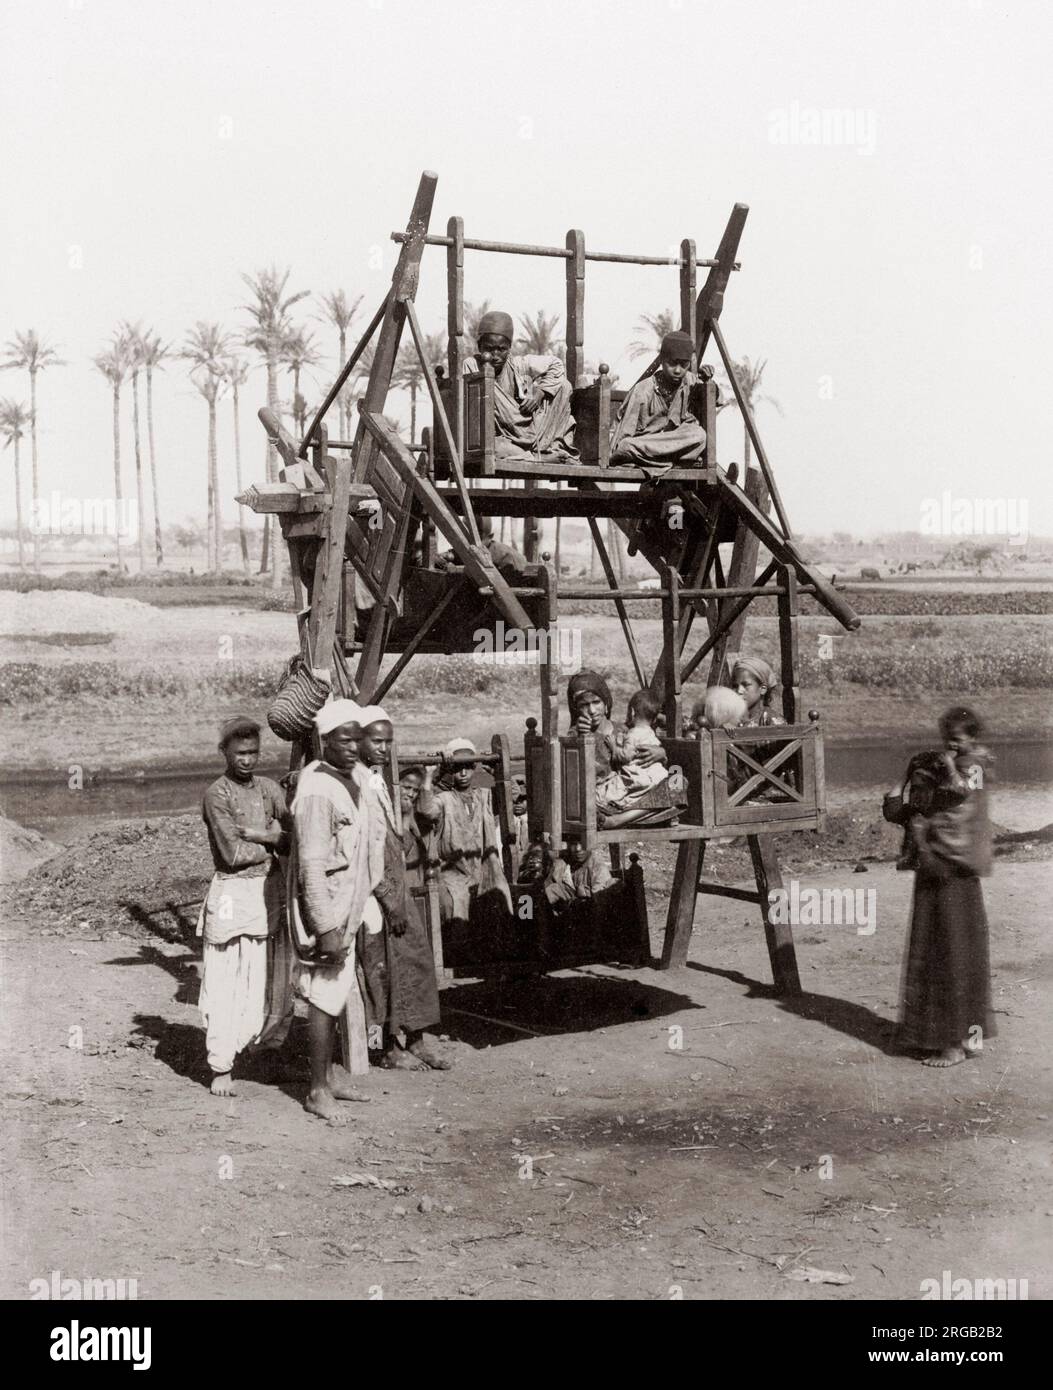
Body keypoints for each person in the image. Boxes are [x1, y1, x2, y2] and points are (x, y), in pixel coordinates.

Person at [883, 706, 995, 1068]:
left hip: (955, 866)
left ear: (973, 740)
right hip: (936, 864)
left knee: (952, 950)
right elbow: (905, 808)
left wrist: (944, 766)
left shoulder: (974, 765)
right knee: (936, 946)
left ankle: (954, 1043)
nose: (950, 745)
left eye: (958, 740)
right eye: (947, 738)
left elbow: (960, 795)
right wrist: (905, 780)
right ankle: (941, 1035)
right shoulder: (944, 763)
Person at [288, 700, 382, 1121]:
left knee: (338, 991)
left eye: (357, 739)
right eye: (343, 739)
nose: (352, 747)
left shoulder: (353, 778)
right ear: (323, 740)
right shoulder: (315, 789)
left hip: (351, 901)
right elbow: (310, 865)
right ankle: (316, 1089)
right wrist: (325, 925)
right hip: (328, 908)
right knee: (323, 995)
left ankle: (328, 1077)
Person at [198, 717, 290, 1097]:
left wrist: (267, 836)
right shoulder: (217, 795)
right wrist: (272, 839)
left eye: (253, 752)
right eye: (240, 753)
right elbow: (233, 852)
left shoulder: (269, 788)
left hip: (267, 892)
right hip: (233, 895)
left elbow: (293, 835)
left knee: (267, 980)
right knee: (225, 980)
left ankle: (266, 1053)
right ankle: (221, 1066)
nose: (247, 760)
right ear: (225, 753)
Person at [353, 709, 450, 1071]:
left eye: (386, 742)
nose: (381, 748)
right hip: (376, 889)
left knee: (417, 955)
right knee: (386, 966)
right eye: (375, 741)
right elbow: (365, 847)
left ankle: (419, 1038)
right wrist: (388, 896)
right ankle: (391, 1048)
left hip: (396, 884)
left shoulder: (377, 779)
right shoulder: (356, 781)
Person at [415, 737, 513, 937]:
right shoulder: (444, 799)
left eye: (468, 767)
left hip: (485, 869)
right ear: (450, 770)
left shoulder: (485, 796)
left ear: (474, 767)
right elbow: (426, 810)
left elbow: (510, 799)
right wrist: (429, 775)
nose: (463, 773)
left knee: (502, 904)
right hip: (454, 873)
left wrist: (500, 776)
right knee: (458, 916)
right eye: (458, 768)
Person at [567, 670, 676, 827]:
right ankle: (631, 818)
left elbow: (644, 760)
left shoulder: (624, 730)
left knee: (678, 784)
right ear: (576, 709)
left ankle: (619, 821)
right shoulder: (575, 734)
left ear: (606, 704)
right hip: (600, 801)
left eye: (596, 702)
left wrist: (661, 753)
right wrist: (582, 738)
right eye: (584, 705)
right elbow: (574, 776)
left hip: (630, 796)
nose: (591, 710)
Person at [463, 310, 577, 460]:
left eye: (501, 349)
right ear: (480, 347)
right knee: (494, 448)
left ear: (509, 348)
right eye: (489, 349)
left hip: (529, 430)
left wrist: (539, 394)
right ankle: (538, 458)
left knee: (563, 385)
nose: (495, 355)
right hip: (498, 437)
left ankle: (546, 449)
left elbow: (556, 364)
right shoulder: (472, 365)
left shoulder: (517, 365)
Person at [610, 331, 706, 469]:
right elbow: (623, 434)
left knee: (699, 434)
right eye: (672, 363)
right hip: (645, 446)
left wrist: (710, 382)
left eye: (684, 365)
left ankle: (662, 461)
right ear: (662, 360)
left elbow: (717, 399)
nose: (678, 370)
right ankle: (671, 461)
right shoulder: (642, 390)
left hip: (665, 448)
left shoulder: (690, 381)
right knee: (626, 446)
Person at [595, 688, 670, 815]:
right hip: (656, 778)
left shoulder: (632, 734)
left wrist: (614, 747)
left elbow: (625, 756)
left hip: (637, 777)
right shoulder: (650, 732)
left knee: (605, 795)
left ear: (632, 711)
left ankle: (611, 808)